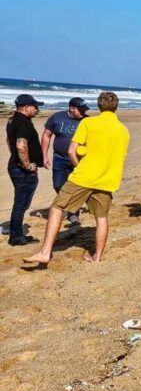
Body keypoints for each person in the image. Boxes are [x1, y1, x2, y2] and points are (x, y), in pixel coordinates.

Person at [23, 92, 130, 264]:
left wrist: (79, 164)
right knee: (101, 218)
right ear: (116, 107)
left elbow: (72, 150)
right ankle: (97, 256)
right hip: (108, 179)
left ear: (99, 106)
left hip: (84, 176)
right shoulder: (123, 130)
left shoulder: (88, 122)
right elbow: (118, 155)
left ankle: (45, 252)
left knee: (57, 206)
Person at [41, 97, 89, 224]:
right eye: (81, 110)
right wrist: (44, 155)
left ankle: (74, 212)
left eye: (85, 110)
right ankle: (65, 205)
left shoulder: (87, 121)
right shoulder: (57, 117)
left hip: (79, 159)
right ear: (71, 108)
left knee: (77, 186)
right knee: (58, 184)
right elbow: (46, 135)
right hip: (59, 158)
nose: (83, 113)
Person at [6, 94, 44, 246]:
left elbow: (9, 141)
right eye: (35, 107)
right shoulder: (23, 123)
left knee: (21, 203)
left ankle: (16, 231)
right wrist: (27, 165)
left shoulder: (12, 119)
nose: (37, 109)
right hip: (22, 170)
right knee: (21, 203)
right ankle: (16, 236)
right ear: (26, 107)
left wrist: (16, 157)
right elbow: (20, 145)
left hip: (16, 166)